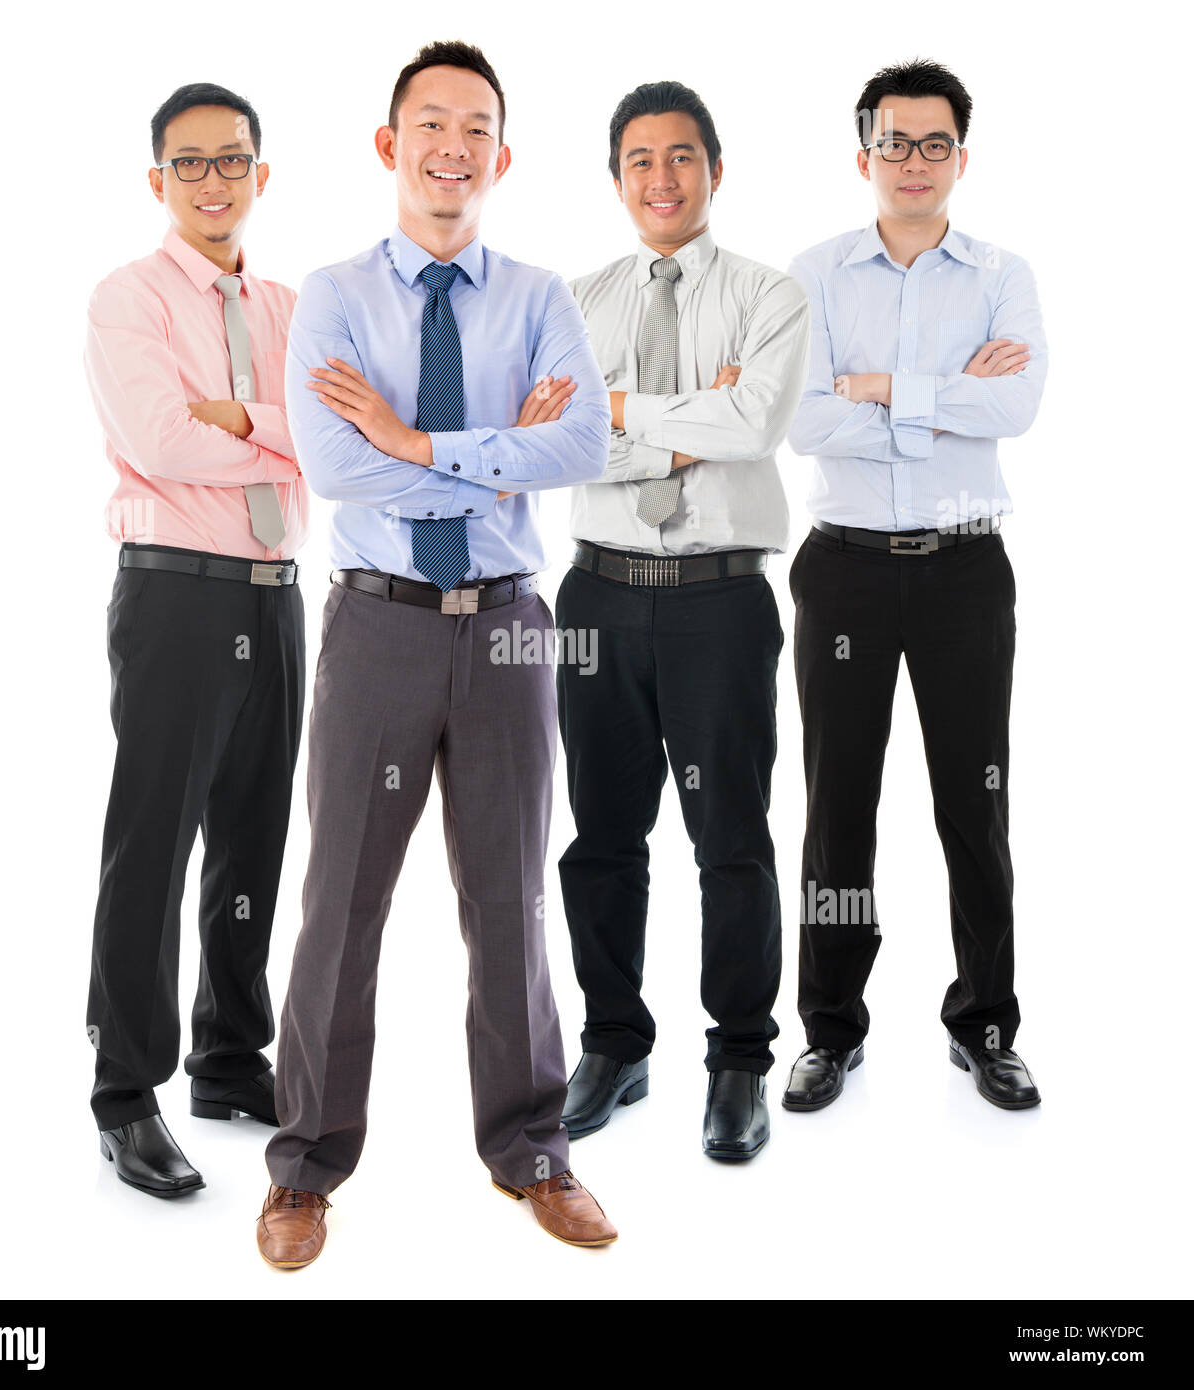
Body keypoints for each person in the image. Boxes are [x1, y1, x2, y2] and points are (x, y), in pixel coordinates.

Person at [256, 40, 617, 1271]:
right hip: (377, 623)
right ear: (389, 144)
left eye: (476, 128)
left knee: (511, 896)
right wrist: (479, 445)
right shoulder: (334, 293)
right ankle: (305, 1165)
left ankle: (533, 1149)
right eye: (431, 124)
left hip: (513, 623)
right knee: (340, 901)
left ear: (501, 156)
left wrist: (413, 431)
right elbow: (336, 466)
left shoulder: (541, 294)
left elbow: (578, 448)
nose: (452, 147)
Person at [783, 58, 1047, 1114]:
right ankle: (828, 1029)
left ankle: (985, 1022)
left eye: (934, 143)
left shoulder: (999, 274)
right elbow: (800, 419)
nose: (913, 161)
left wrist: (880, 387)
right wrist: (943, 398)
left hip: (964, 571)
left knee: (972, 807)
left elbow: (1016, 406)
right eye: (894, 142)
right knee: (837, 810)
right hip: (842, 570)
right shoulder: (811, 272)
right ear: (863, 154)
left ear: (960, 158)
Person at [556, 81, 809, 1161]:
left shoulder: (770, 295)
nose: (661, 179)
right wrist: (678, 420)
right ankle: (614, 1041)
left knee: (732, 843)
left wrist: (618, 411)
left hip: (719, 600)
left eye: (681, 158)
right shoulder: (573, 302)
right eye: (639, 161)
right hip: (596, 595)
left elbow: (756, 423)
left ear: (714, 169)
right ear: (616, 178)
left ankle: (739, 1059)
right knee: (602, 837)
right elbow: (558, 443)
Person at [84, 83, 308, 1197]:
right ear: (158, 180)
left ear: (261, 175)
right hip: (176, 595)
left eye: (233, 161)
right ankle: (126, 1090)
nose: (213, 181)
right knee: (155, 837)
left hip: (276, 592)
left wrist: (253, 423)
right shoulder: (127, 299)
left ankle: (229, 1055)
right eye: (190, 163)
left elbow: (335, 434)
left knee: (254, 832)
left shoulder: (291, 305)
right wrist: (276, 435)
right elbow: (162, 441)